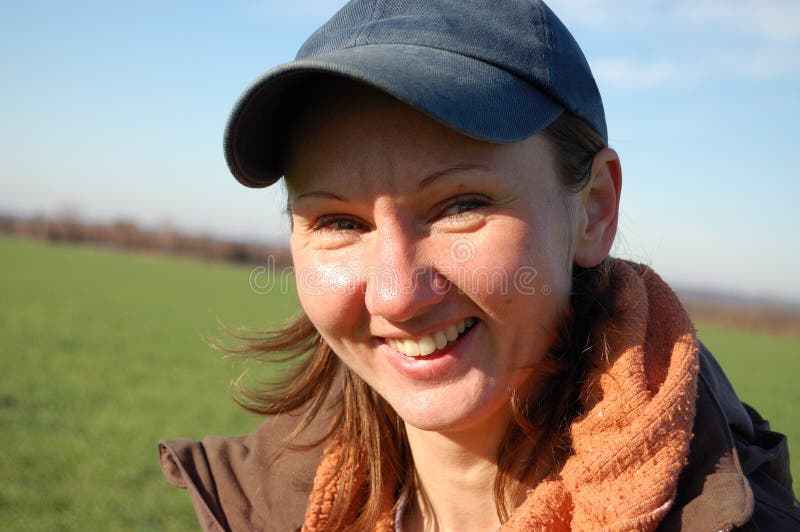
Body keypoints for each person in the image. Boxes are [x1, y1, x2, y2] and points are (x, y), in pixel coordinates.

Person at [158, 1, 800, 530]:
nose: (395, 295)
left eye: (461, 205)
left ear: (595, 211)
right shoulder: (269, 503)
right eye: (338, 222)